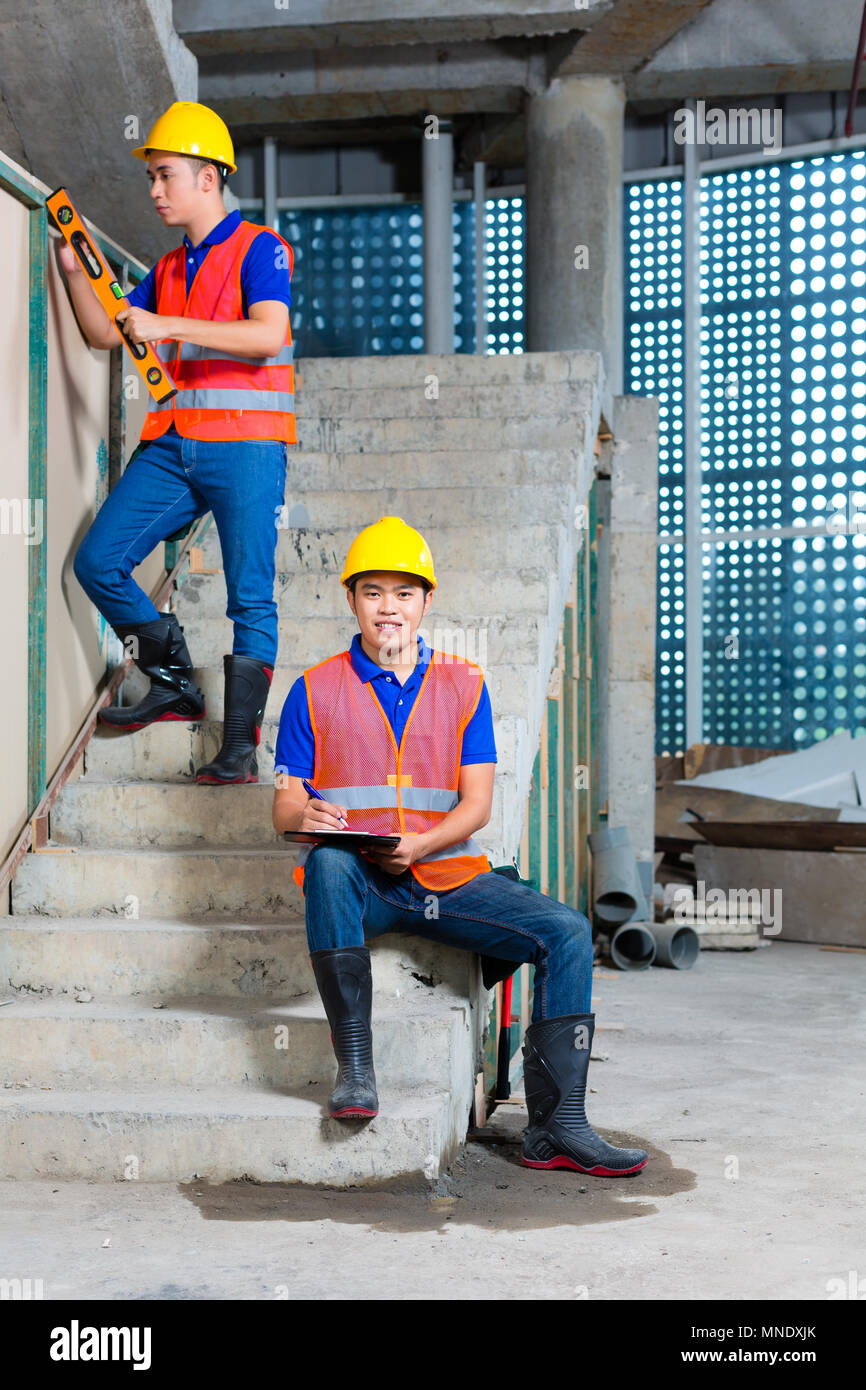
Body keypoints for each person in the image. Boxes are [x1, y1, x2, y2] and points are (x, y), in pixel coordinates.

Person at [272, 515, 649, 1177]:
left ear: (425, 601)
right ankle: (356, 1069)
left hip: (442, 876)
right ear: (351, 599)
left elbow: (476, 806)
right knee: (326, 863)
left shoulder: (464, 684)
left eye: (404, 592)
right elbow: (284, 809)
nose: (388, 607)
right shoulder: (314, 690)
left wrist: (419, 846)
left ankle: (557, 1126)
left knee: (564, 931)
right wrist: (311, 811)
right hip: (361, 886)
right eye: (373, 592)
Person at [62, 101, 294, 783]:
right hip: (175, 446)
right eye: (153, 178)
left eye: (165, 176)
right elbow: (111, 333)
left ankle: (240, 749)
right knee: (99, 560)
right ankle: (174, 682)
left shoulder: (261, 247)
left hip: (248, 446)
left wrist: (169, 324)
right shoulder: (168, 268)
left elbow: (268, 335)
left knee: (249, 598)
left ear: (208, 178)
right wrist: (80, 278)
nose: (155, 190)